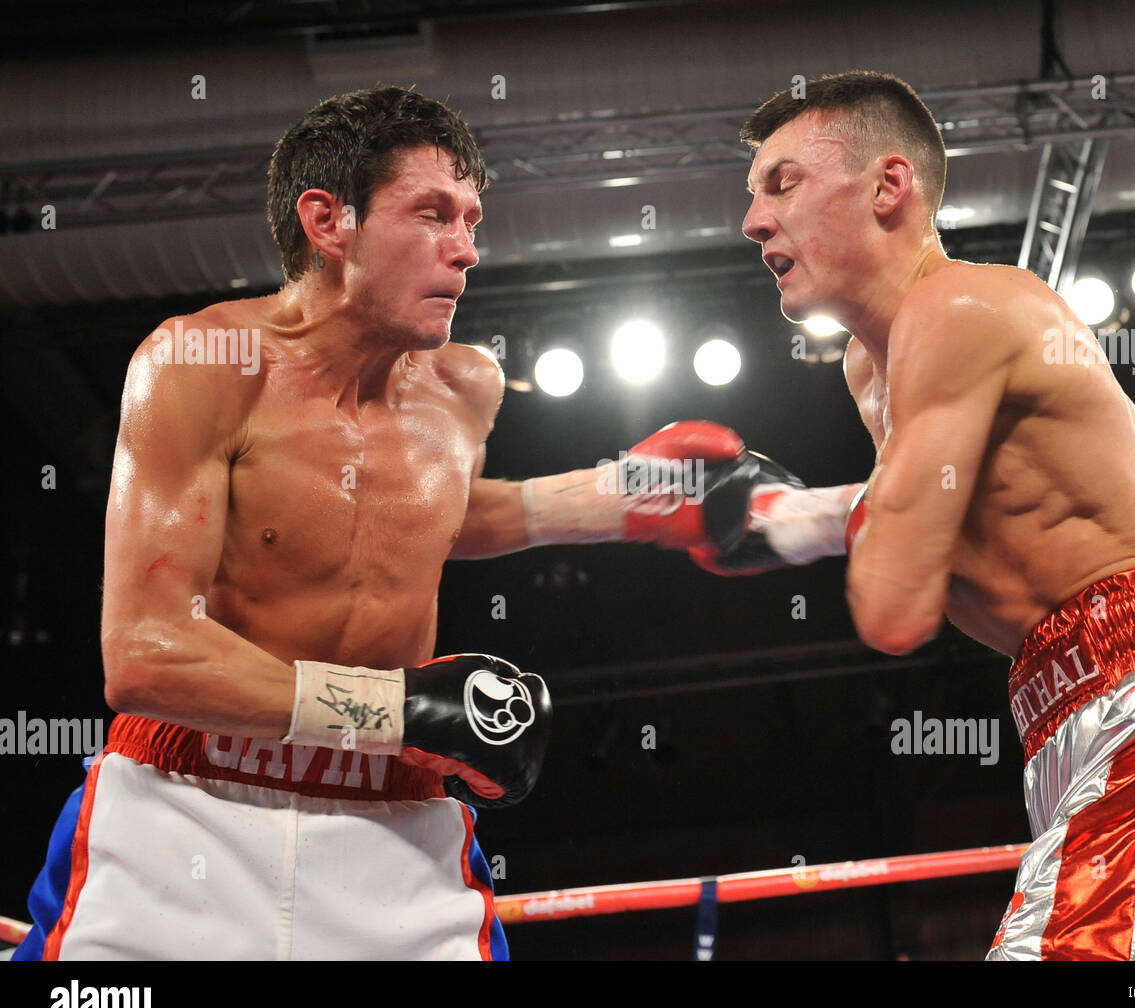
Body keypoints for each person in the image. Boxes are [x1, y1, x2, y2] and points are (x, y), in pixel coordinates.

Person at [14, 86, 848, 962]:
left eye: (472, 220)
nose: (467, 250)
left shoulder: (463, 385)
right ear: (328, 222)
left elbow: (427, 515)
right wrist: (399, 710)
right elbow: (145, 651)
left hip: (389, 824)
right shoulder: (206, 363)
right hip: (186, 809)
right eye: (434, 215)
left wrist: (636, 492)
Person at [737, 70, 1135, 960]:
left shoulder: (962, 307)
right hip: (1070, 717)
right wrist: (790, 517)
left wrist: (784, 518)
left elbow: (893, 605)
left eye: (783, 183)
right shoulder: (866, 371)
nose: (754, 220)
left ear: (890, 186)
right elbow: (939, 536)